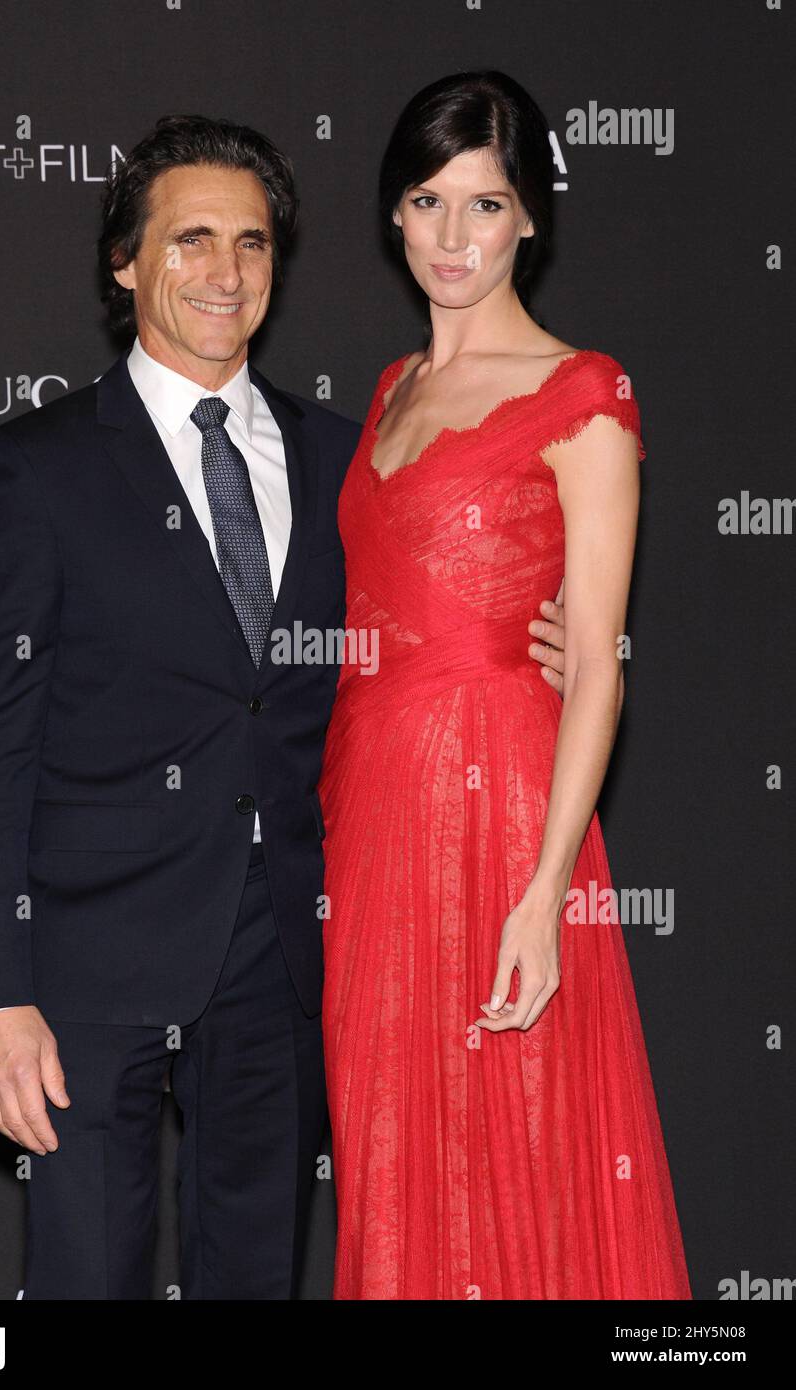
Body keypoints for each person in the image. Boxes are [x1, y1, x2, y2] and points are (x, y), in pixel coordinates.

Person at [0, 112, 568, 1301]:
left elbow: (422, 642)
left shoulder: (351, 459)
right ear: (126, 264)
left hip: (285, 949)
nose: (225, 272)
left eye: (253, 242)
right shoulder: (41, 464)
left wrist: (562, 653)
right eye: (191, 241)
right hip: (88, 962)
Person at [318, 71, 692, 1300]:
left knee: (518, 1140)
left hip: (505, 814)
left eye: (485, 206)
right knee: (391, 1146)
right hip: (374, 818)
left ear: (530, 214)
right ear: (394, 213)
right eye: (427, 201)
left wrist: (543, 897)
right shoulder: (389, 391)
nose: (452, 238)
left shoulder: (586, 393)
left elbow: (597, 668)